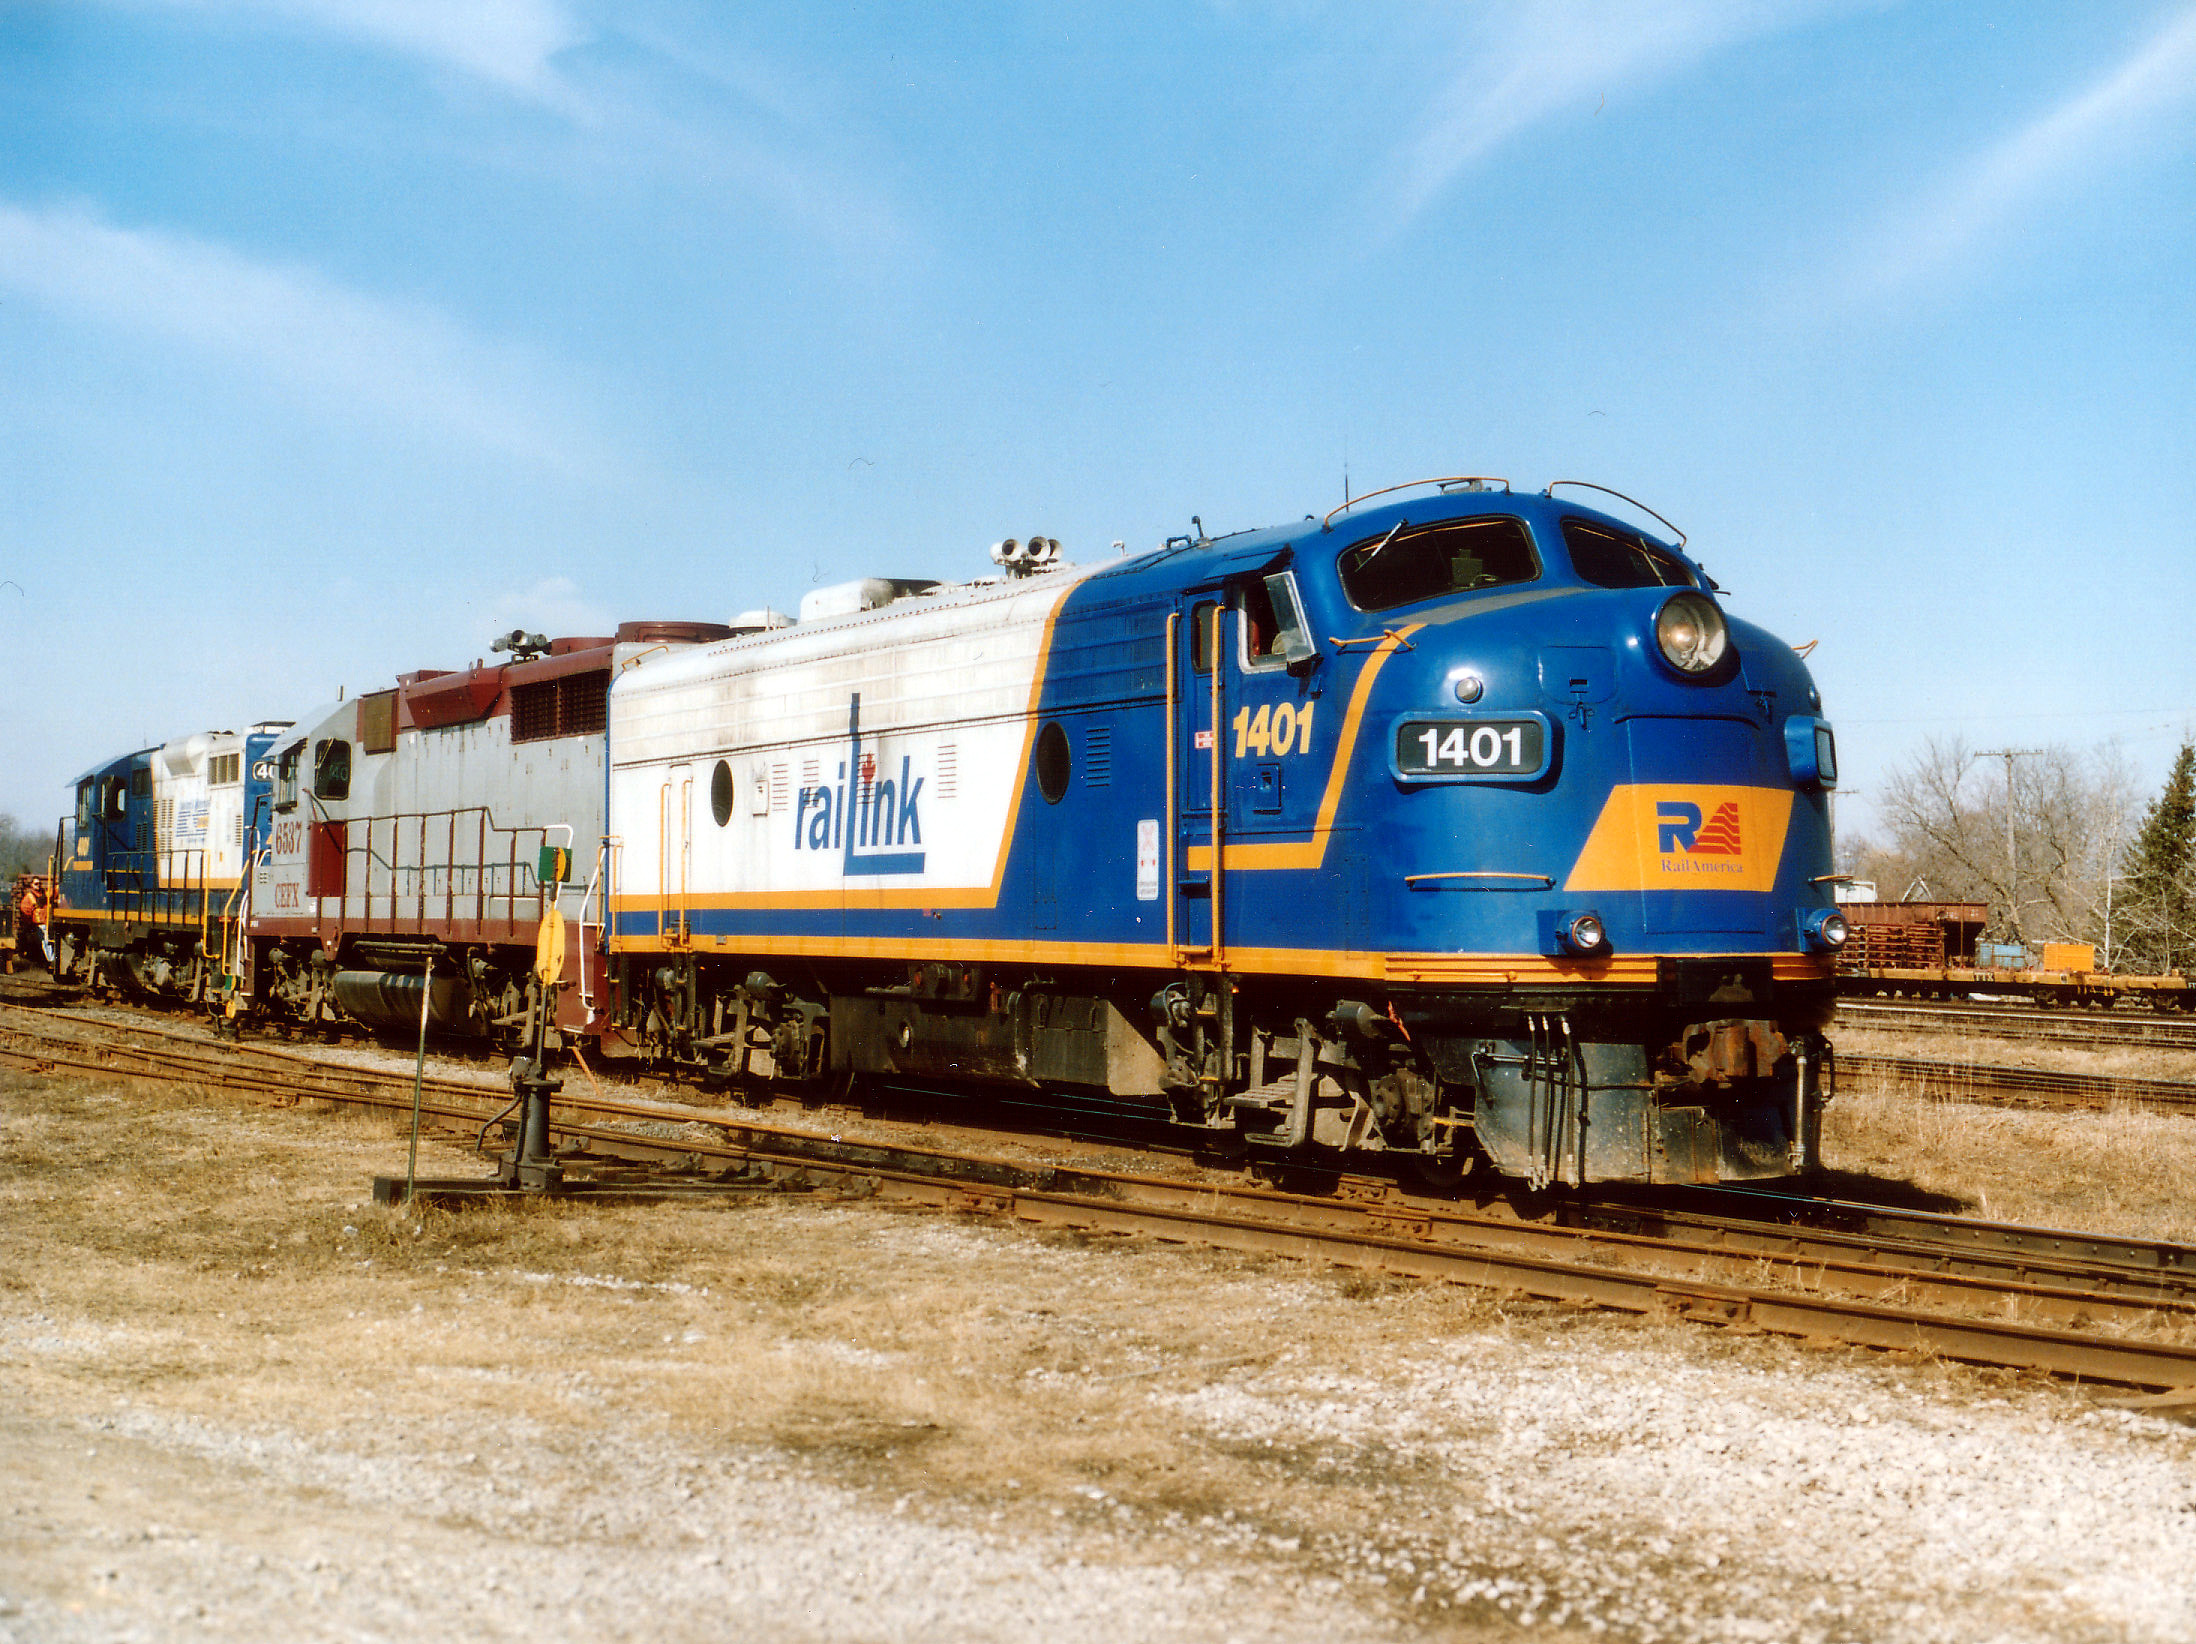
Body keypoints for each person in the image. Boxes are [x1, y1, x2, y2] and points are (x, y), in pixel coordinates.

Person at [14, 878, 46, 973]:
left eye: (39, 883)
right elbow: (24, 908)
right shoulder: (30, 896)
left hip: (44, 923)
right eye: (36, 884)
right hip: (36, 924)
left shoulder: (43, 894)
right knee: (41, 943)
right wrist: (31, 918)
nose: (38, 885)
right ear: (31, 885)